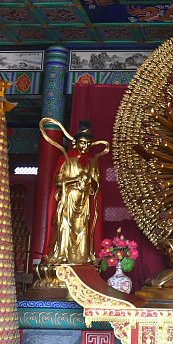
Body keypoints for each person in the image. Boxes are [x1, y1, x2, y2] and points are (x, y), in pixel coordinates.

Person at [39, 118, 109, 282]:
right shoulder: (66, 159)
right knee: (65, 227)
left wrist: (89, 182)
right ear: (75, 143)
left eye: (88, 144)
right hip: (68, 200)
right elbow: (58, 181)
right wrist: (74, 180)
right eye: (82, 143)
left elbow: (97, 185)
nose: (85, 146)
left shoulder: (92, 162)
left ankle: (82, 258)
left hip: (84, 202)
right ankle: (62, 256)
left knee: (83, 230)